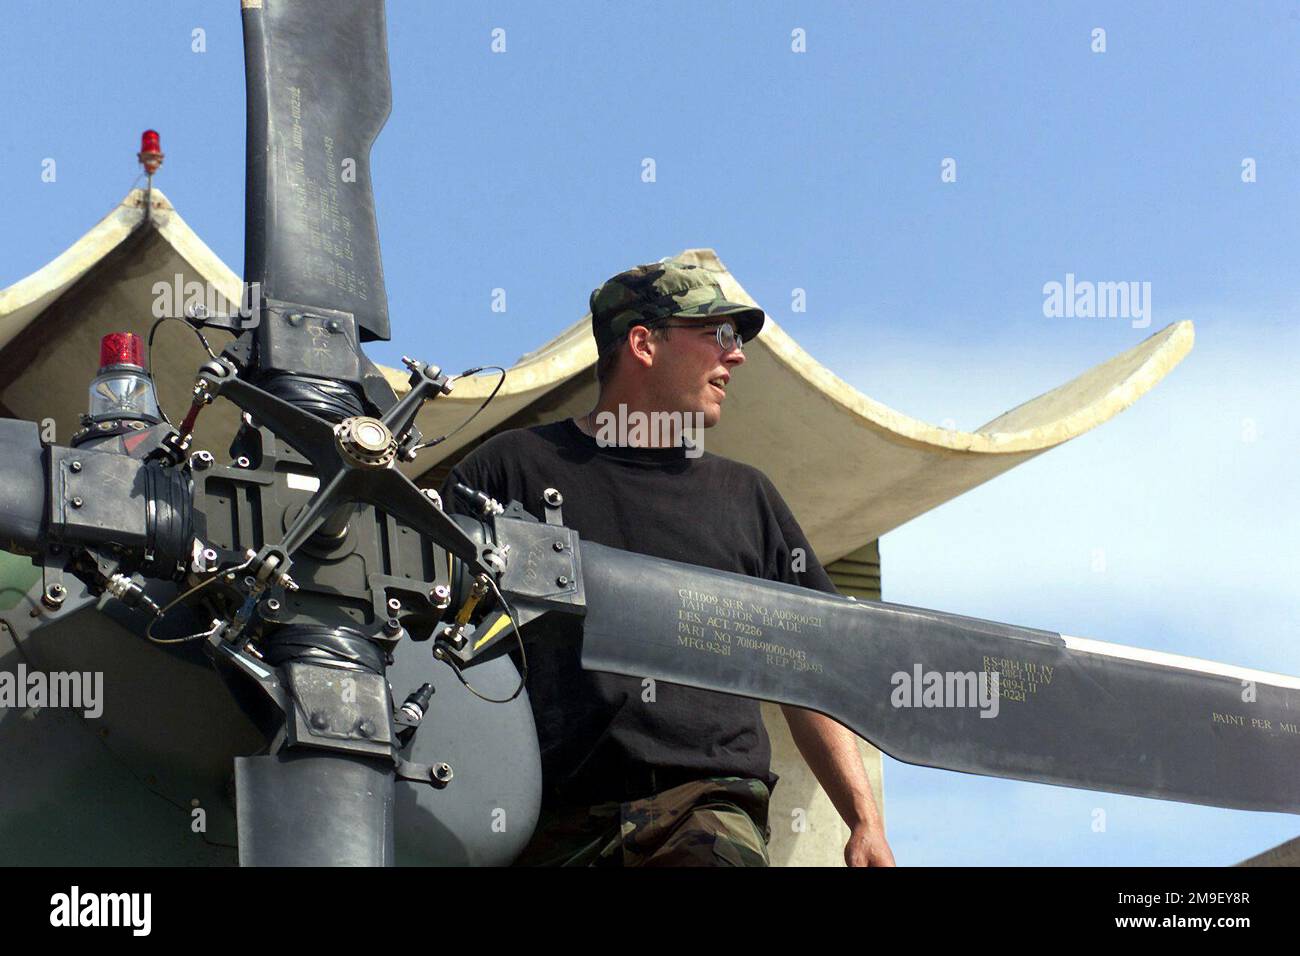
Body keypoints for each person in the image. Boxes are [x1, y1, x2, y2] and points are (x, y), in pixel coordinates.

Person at [440, 258, 895, 867]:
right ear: (643, 343)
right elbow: (437, 638)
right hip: (548, 820)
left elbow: (805, 668)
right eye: (719, 336)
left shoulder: (746, 498)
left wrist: (863, 821)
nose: (736, 358)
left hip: (706, 805)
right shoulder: (509, 471)